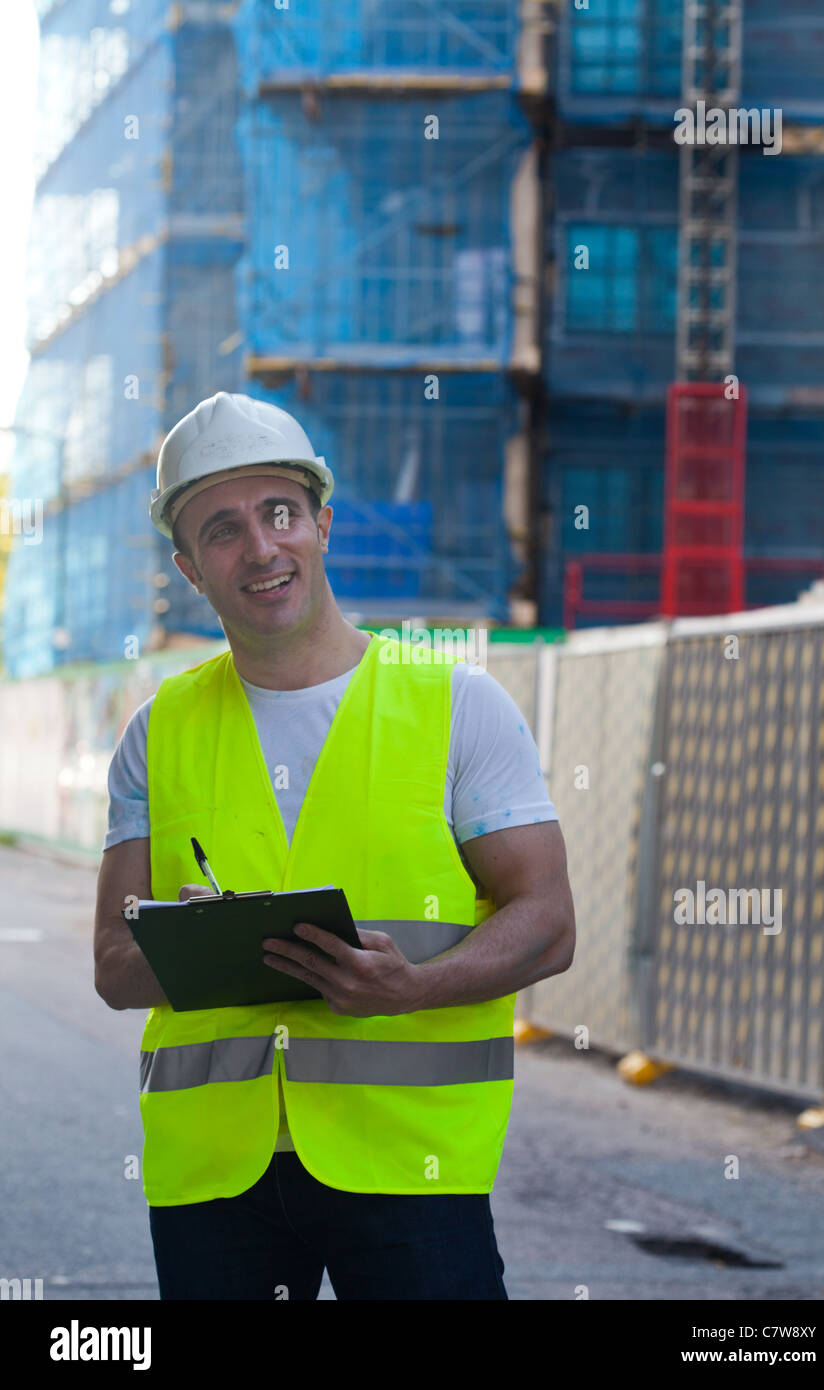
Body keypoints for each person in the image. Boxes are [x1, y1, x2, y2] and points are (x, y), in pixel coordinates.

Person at [94, 391, 575, 1301]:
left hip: (410, 1168)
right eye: (222, 530)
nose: (261, 548)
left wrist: (414, 989)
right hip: (216, 1178)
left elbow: (548, 923)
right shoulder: (157, 734)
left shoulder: (456, 706)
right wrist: (202, 954)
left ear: (322, 523)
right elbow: (115, 969)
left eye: (279, 513)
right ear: (190, 567)